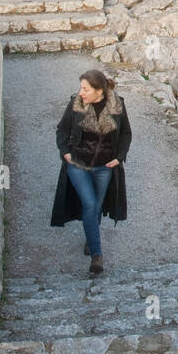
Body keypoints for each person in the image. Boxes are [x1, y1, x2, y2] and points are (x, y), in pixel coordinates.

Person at [51, 70, 131, 275]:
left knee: (95, 209)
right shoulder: (76, 104)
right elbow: (62, 130)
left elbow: (126, 134)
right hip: (78, 164)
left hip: (105, 167)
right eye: (81, 87)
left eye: (85, 89)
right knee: (90, 204)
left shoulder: (117, 104)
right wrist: (65, 152)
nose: (81, 92)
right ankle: (97, 256)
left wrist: (119, 157)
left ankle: (90, 236)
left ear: (99, 91)